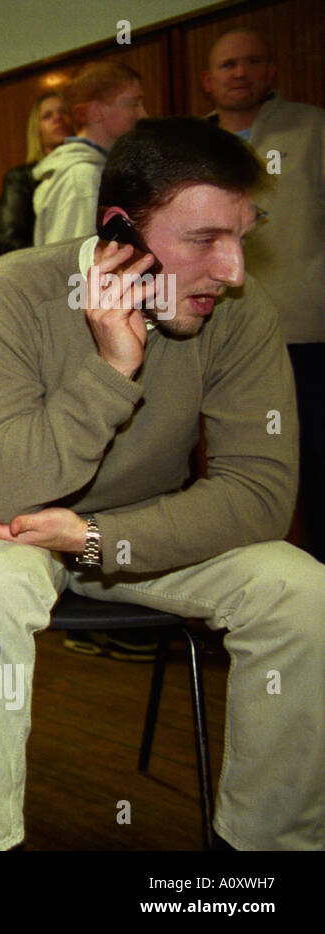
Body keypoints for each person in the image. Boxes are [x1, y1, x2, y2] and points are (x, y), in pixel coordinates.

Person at [0, 116, 324, 851]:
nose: (234, 272)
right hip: (6, 521)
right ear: (120, 234)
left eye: (243, 236)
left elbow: (260, 496)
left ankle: (266, 857)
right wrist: (112, 369)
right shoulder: (8, 294)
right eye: (205, 240)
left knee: (303, 593)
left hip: (142, 528)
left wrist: (94, 538)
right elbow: (13, 489)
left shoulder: (242, 317)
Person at [202, 27, 324, 562]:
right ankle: (241, 590)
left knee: (316, 463)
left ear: (272, 72)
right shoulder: (193, 144)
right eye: (228, 65)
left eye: (252, 62)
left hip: (306, 334)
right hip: (216, 337)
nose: (240, 73)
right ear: (208, 80)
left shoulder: (313, 128)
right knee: (235, 469)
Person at [33, 62, 146, 246]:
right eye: (133, 104)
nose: (142, 114)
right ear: (96, 112)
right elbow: (72, 266)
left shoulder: (95, 171)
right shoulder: (82, 177)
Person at [0, 91, 71, 255]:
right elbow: (8, 241)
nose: (58, 118)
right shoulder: (21, 179)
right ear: (37, 129)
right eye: (47, 116)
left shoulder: (91, 169)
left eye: (64, 112)